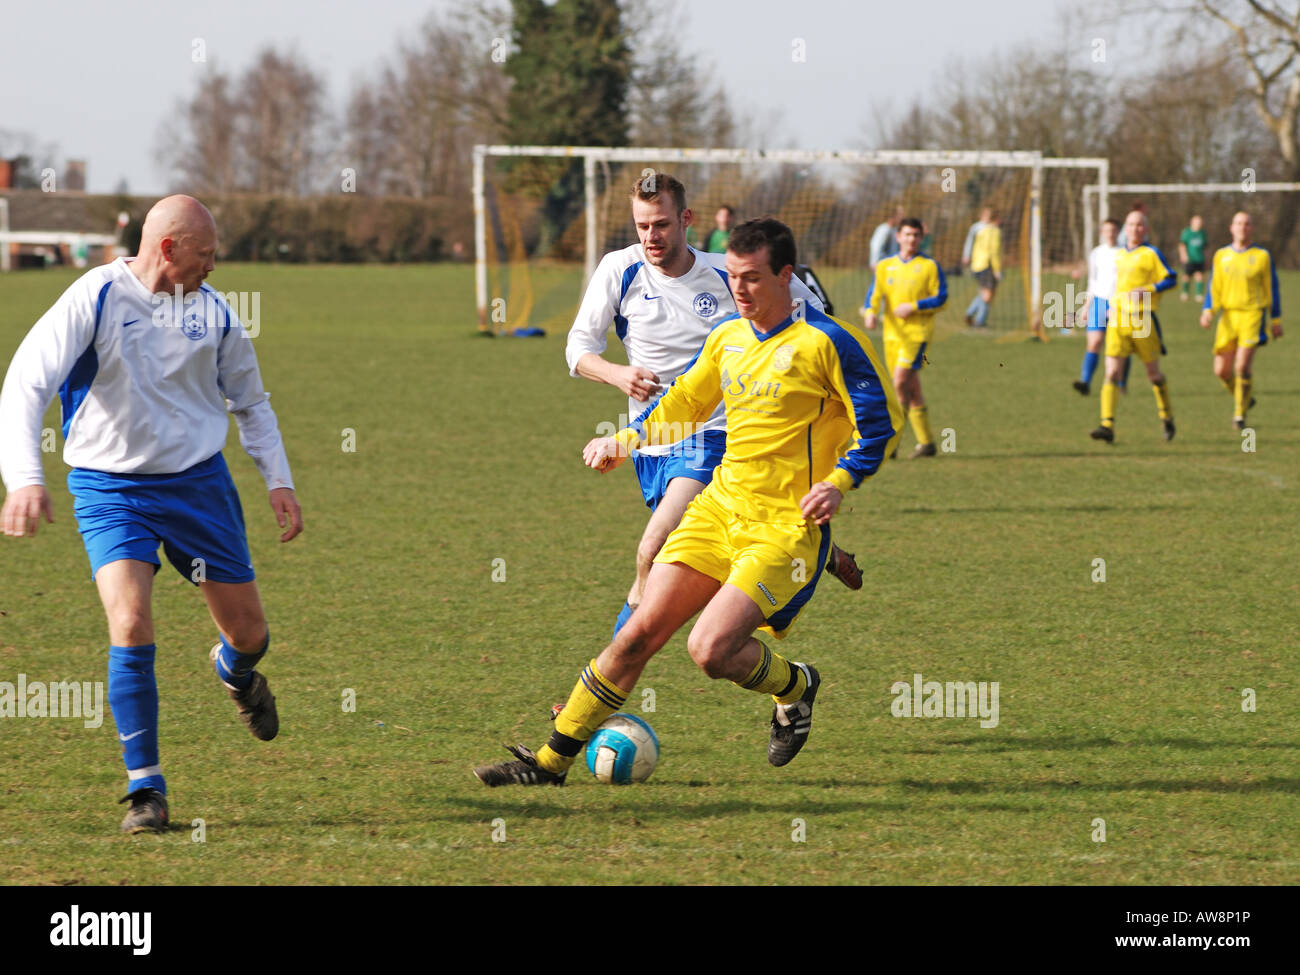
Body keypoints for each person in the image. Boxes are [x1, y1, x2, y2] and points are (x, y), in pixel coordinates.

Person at [476, 218, 902, 786]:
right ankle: (550, 765)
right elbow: (683, 404)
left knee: (710, 650)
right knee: (636, 635)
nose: (740, 290)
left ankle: (798, 688)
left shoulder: (830, 343)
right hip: (718, 509)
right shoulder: (727, 336)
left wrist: (840, 482)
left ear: (785, 275)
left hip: (784, 528)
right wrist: (622, 441)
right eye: (732, 277)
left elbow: (880, 429)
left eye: (752, 278)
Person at [0, 195, 303, 834]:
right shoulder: (97, 297)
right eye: (206, 255)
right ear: (167, 248)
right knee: (131, 622)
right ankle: (147, 790)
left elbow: (251, 402)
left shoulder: (216, 315)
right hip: (110, 490)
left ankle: (235, 672)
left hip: (197, 487)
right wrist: (26, 478)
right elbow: (26, 381)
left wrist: (278, 479)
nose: (213, 268)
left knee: (249, 634)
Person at [565, 173, 861, 643]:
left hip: (715, 435)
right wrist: (617, 374)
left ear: (686, 219)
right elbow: (577, 348)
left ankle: (605, 679)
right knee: (700, 550)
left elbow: (814, 315)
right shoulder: (618, 270)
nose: (650, 238)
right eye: (641, 227)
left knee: (653, 549)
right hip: (651, 440)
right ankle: (818, 549)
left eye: (660, 225)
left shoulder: (726, 272)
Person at [862, 217, 947, 459]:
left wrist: (915, 306)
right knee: (911, 388)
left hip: (917, 335)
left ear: (921, 238)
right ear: (898, 237)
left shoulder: (930, 266)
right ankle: (927, 443)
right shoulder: (884, 266)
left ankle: (893, 441)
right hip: (892, 336)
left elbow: (942, 298)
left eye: (916, 236)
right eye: (907, 235)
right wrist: (870, 313)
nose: (911, 239)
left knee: (899, 382)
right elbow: (873, 296)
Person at [1090, 209, 1177, 443]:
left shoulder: (1151, 253)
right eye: (1130, 225)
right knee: (1111, 372)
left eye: (1139, 225)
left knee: (1153, 374)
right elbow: (1113, 284)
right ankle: (1107, 425)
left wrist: (1148, 290)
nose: (1134, 229)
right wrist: (1109, 304)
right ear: (1124, 229)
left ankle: (1166, 416)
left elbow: (1171, 278)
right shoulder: (1118, 255)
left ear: (1146, 229)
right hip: (1118, 318)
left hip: (1142, 320)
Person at [1199, 211, 1283, 430]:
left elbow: (1271, 287)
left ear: (1252, 229)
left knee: (1242, 366)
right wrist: (1208, 310)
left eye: (1247, 224)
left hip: (1252, 315)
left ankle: (1239, 414)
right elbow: (1213, 286)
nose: (1242, 227)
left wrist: (1276, 319)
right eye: (1238, 223)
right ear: (1231, 227)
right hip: (1228, 317)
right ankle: (1244, 397)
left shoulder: (1262, 256)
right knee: (1221, 371)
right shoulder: (1221, 255)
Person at [1074, 218, 1123, 396]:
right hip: (1099, 302)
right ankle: (1085, 382)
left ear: (1118, 232)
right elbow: (1092, 281)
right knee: (1094, 342)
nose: (1110, 233)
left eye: (1113, 230)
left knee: (1119, 348)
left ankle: (1121, 384)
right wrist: (1086, 306)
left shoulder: (1124, 252)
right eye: (1107, 230)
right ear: (1102, 232)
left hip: (1119, 304)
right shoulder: (1096, 253)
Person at [962, 207, 1001, 328]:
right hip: (985, 266)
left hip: (981, 265)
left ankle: (975, 316)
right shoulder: (987, 230)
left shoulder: (992, 230)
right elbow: (993, 252)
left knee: (987, 294)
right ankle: (978, 320)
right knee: (987, 295)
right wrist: (997, 269)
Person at [1179, 214, 1207, 302]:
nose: (1199, 224)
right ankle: (1185, 293)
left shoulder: (1202, 233)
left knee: (1199, 276)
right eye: (1197, 222)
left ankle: (1198, 295)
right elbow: (1182, 245)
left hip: (1199, 258)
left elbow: (1205, 247)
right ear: (1192, 223)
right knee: (1187, 276)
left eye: (1200, 222)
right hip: (1190, 259)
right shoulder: (1187, 232)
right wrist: (1183, 255)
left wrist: (1206, 258)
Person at [869, 206, 904, 271]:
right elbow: (876, 247)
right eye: (900, 215)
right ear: (893, 216)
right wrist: (875, 263)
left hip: (892, 266)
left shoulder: (895, 230)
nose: (902, 217)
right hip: (882, 266)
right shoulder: (884, 230)